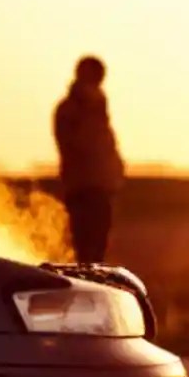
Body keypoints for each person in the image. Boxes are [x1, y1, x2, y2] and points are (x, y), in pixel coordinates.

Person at [53, 55, 124, 263]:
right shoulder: (71, 110)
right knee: (85, 248)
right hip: (83, 189)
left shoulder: (98, 109)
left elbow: (106, 147)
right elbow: (76, 145)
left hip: (102, 188)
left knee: (98, 247)